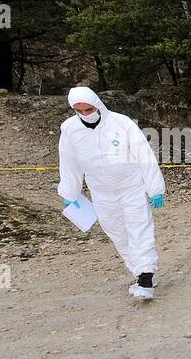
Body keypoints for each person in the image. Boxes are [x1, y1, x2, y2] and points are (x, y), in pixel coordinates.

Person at [57, 86, 166, 300]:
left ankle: (145, 278)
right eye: (80, 111)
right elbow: (69, 163)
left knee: (139, 227)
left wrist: (155, 188)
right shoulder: (69, 129)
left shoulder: (121, 123)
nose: (86, 114)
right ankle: (141, 272)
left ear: (97, 104)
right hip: (101, 192)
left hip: (131, 187)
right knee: (117, 232)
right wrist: (69, 193)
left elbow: (144, 155)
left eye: (89, 109)